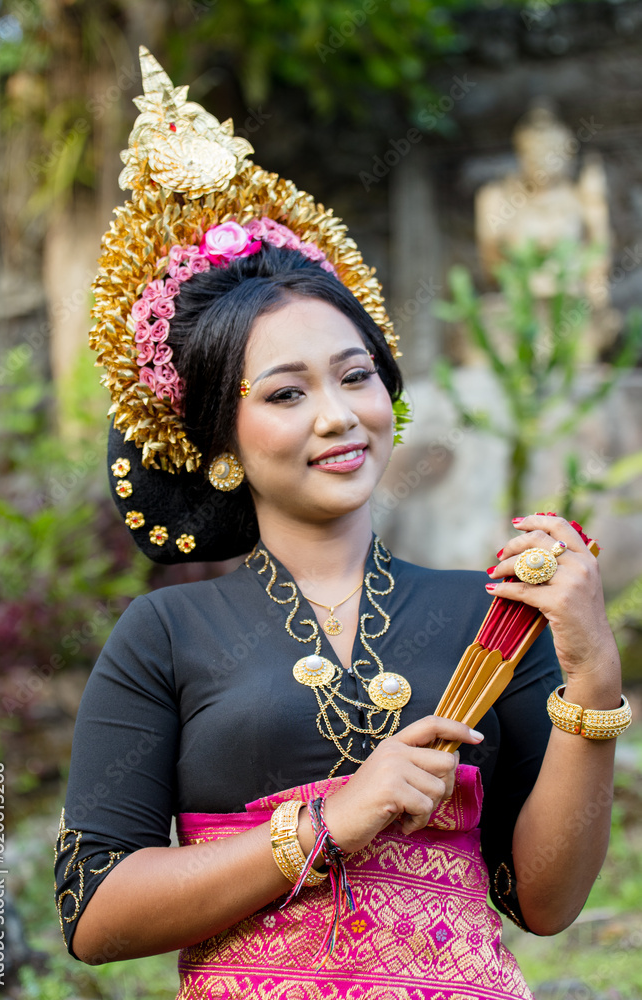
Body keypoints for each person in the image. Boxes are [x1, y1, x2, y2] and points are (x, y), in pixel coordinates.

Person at [54, 48, 629, 999]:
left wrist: (591, 674)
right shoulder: (163, 635)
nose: (336, 413)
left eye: (354, 375)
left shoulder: (491, 618)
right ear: (220, 444)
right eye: (287, 392)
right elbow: (94, 912)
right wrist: (327, 824)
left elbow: (545, 900)